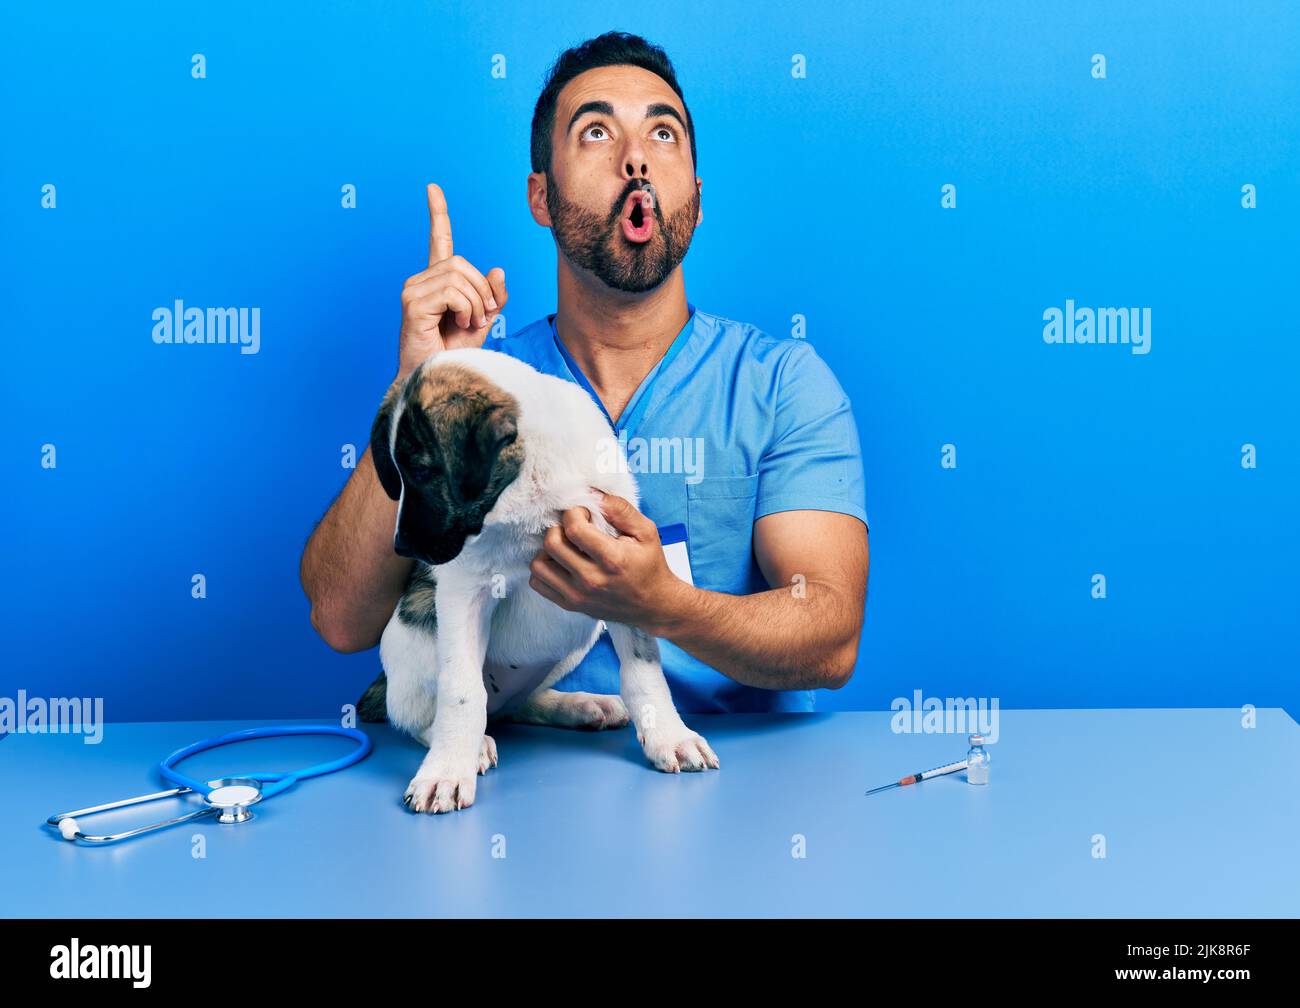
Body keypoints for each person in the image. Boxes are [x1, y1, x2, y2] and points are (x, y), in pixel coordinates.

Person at [300, 31, 870, 714]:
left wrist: (664, 604)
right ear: (541, 197)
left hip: (728, 786)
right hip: (510, 786)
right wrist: (420, 384)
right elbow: (340, 619)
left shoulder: (781, 385)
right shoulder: (479, 390)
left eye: (663, 135)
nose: (636, 160)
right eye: (596, 133)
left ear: (694, 191)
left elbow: (830, 642)